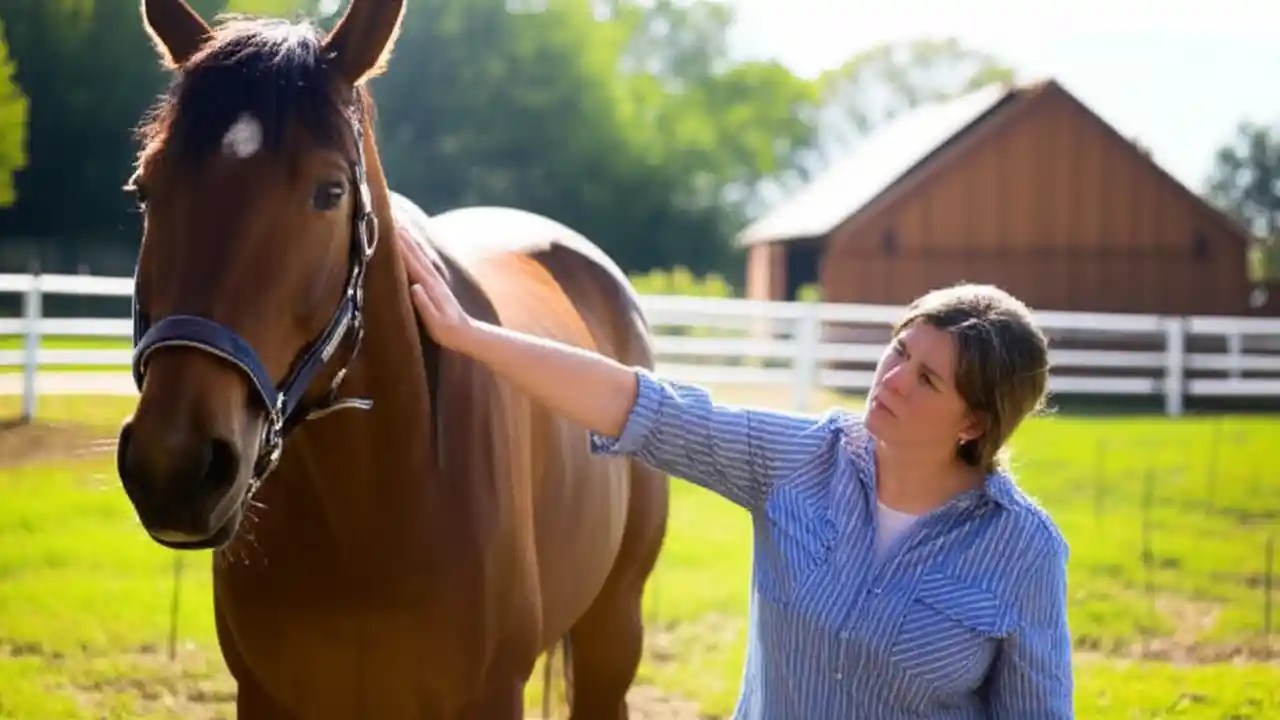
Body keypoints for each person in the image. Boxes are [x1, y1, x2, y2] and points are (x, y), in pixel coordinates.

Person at [396, 232, 1073, 719]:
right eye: (898, 350)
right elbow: (634, 402)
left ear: (974, 425)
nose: (890, 380)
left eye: (926, 379)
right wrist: (468, 337)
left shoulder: (1024, 553)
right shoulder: (799, 460)